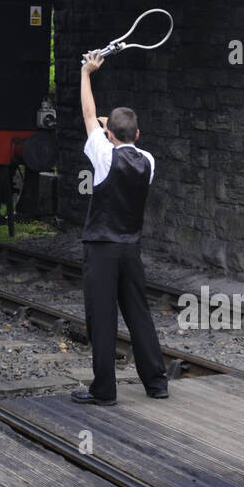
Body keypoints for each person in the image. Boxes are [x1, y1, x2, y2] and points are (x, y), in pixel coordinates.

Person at [71, 49, 170, 405]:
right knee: (138, 313)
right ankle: (156, 383)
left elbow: (86, 113)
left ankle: (105, 390)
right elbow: (98, 124)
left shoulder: (103, 153)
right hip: (131, 248)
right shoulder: (148, 160)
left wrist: (86, 73)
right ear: (138, 133)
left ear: (109, 133)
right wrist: (106, 127)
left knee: (102, 318)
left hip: (101, 247)